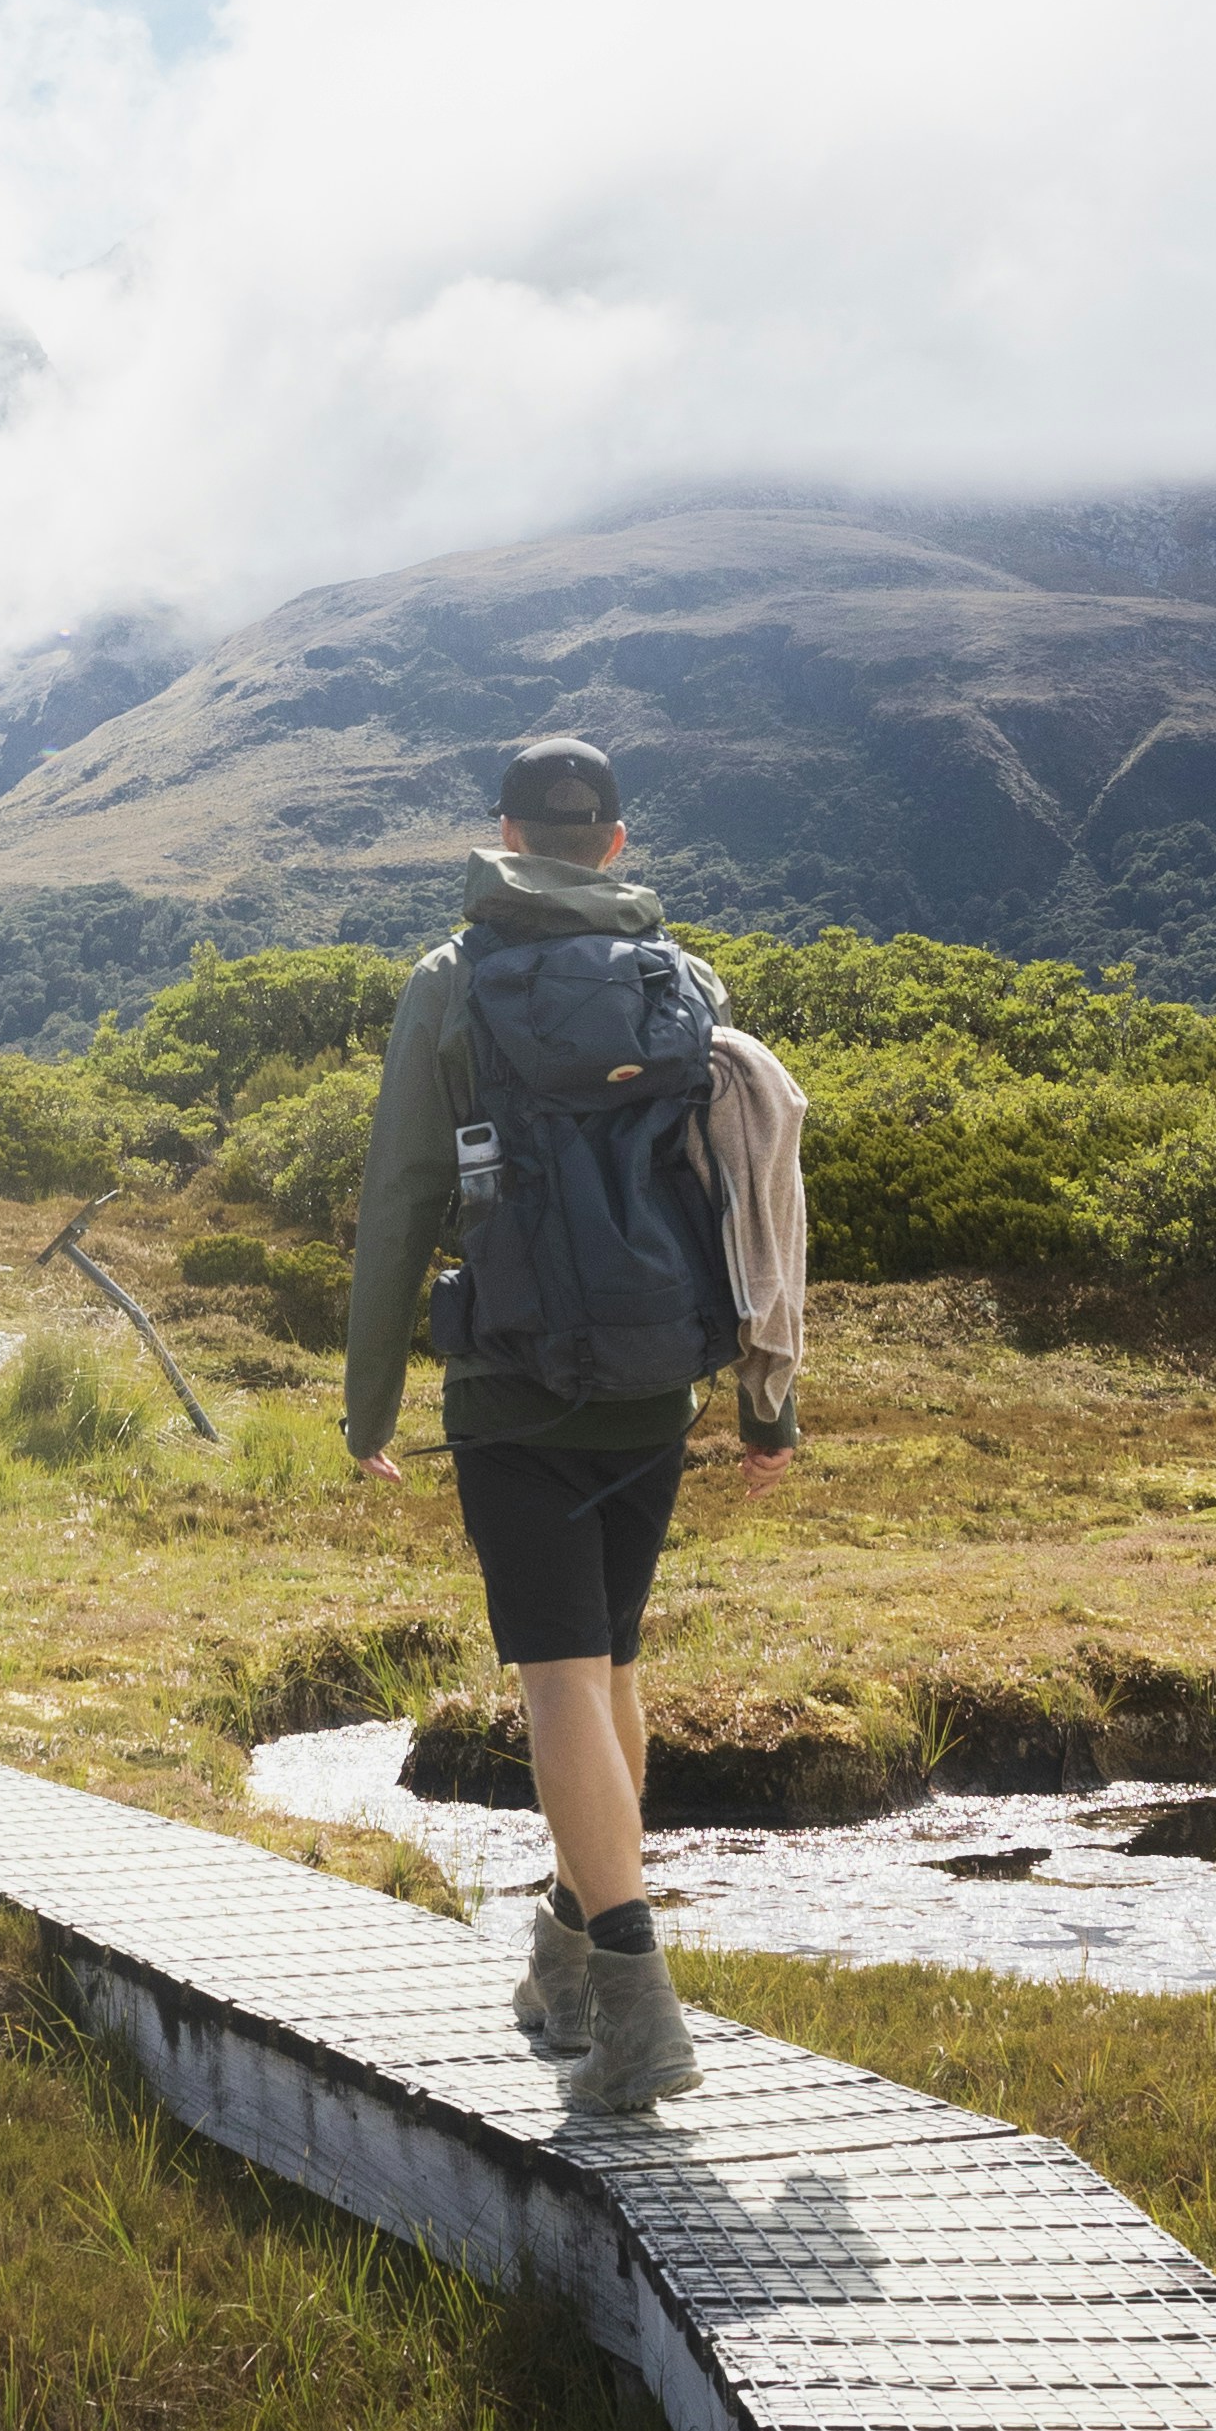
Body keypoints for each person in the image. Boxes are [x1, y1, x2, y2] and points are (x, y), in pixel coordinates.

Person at [340, 738, 805, 2113]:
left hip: (512, 1383)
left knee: (555, 1681)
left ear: (501, 837)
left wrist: (370, 1398)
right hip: (652, 1384)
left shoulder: (450, 984)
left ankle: (638, 2006)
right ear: (610, 843)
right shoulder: (685, 983)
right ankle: (558, 1947)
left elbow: (403, 1198)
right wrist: (768, 1401)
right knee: (605, 1671)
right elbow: (746, 1198)